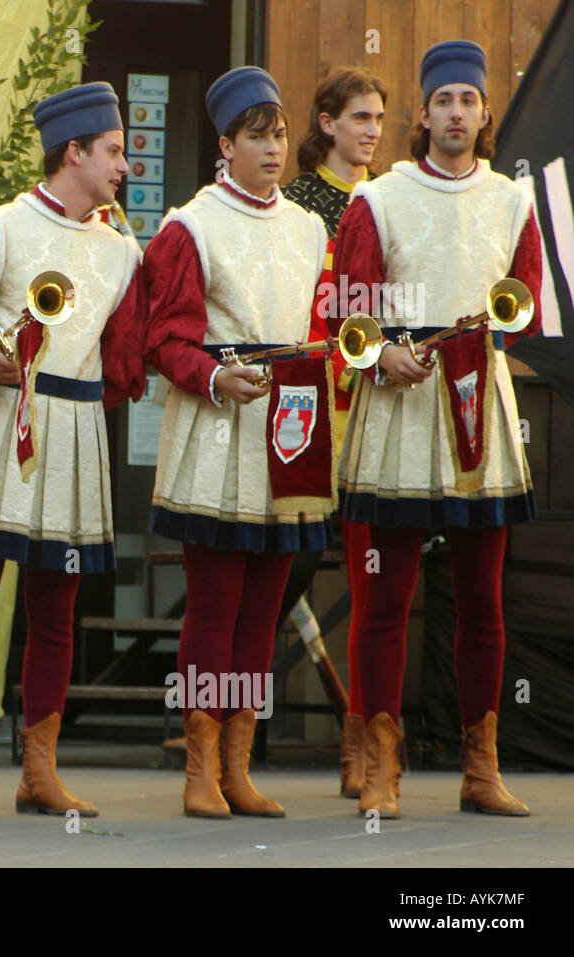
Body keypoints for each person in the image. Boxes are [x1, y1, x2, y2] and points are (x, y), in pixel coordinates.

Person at [0, 81, 146, 819]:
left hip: (73, 432)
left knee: (57, 609)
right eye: (112, 151)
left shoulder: (121, 250)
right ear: (72, 152)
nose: (123, 166)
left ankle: (38, 769)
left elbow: (125, 360)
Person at [330, 41, 541, 819]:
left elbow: (523, 304)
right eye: (442, 100)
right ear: (420, 113)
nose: (455, 113)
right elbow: (342, 310)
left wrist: (481, 343)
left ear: (485, 113)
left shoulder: (513, 202)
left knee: (485, 602)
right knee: (385, 600)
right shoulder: (376, 200)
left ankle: (479, 766)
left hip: (477, 409)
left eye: (468, 100)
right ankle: (382, 765)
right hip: (397, 406)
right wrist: (381, 351)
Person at [143, 67, 329, 819]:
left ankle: (238, 764)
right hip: (217, 425)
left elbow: (319, 327)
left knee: (265, 608)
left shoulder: (312, 228)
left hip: (290, 428)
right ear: (225, 144)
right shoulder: (189, 225)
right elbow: (166, 336)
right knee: (214, 607)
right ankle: (198, 766)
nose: (273, 148)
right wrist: (217, 379)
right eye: (257, 135)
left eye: (279, 133)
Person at [281, 66, 387, 799]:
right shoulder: (293, 206)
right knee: (284, 567)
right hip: (306, 411)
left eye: (379, 118)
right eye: (358, 118)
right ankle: (224, 722)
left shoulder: (387, 202)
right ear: (326, 124)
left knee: (371, 572)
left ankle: (364, 741)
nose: (372, 131)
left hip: (376, 410)